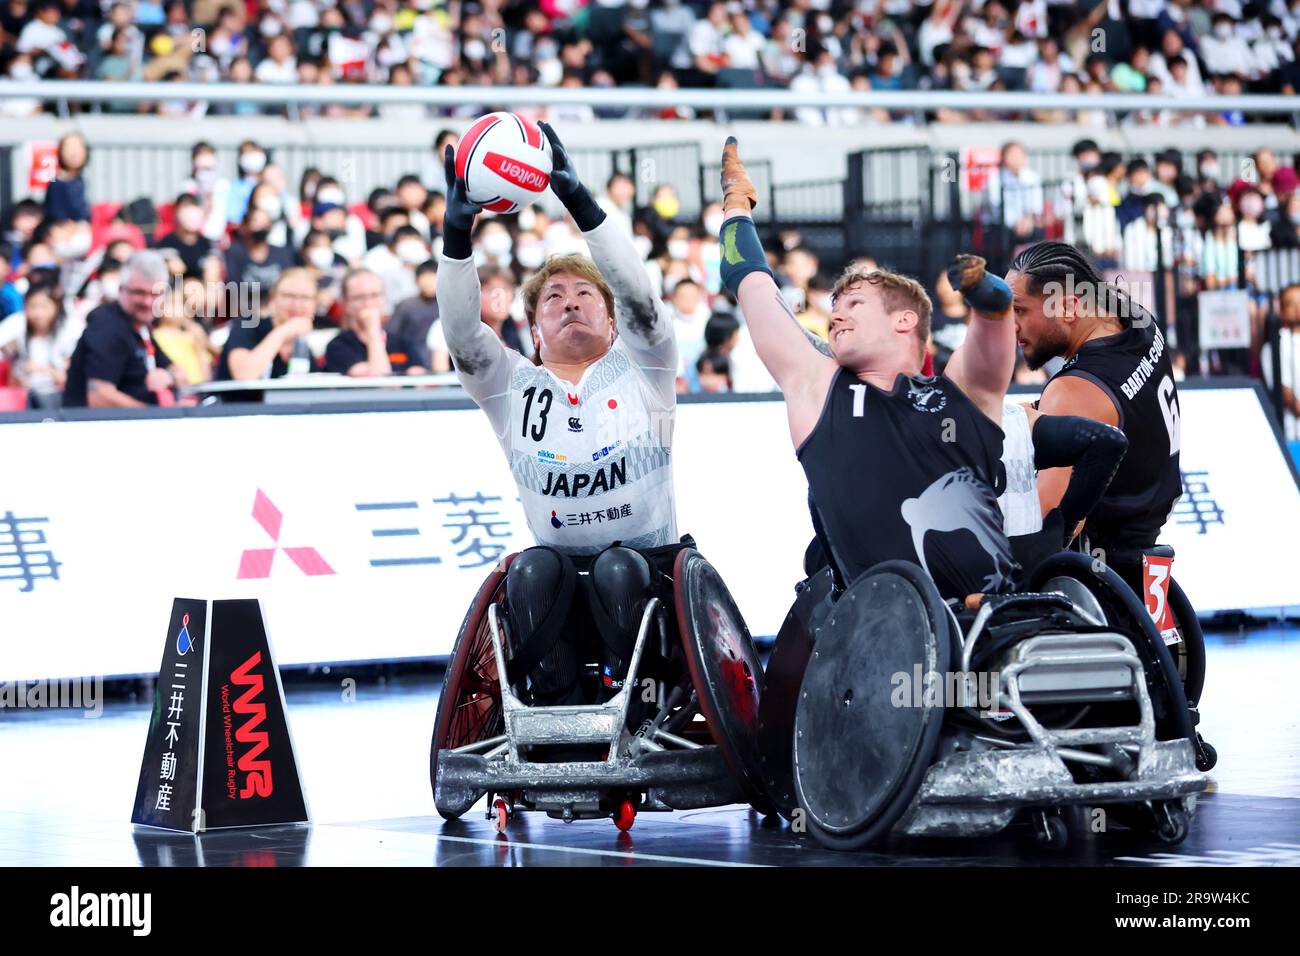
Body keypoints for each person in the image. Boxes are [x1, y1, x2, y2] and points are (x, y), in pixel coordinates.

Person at [437, 120, 680, 707]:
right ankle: (557, 710)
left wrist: (578, 201)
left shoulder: (646, 363)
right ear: (534, 331)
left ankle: (641, 702)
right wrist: (456, 232)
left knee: (618, 568)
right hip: (555, 578)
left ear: (613, 320)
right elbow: (462, 331)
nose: (569, 302)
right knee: (529, 570)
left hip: (649, 570)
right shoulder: (508, 384)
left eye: (584, 294)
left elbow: (641, 296)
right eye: (553, 298)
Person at [718, 137, 1018, 599]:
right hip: (885, 633)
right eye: (836, 305)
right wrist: (737, 206)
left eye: (854, 303)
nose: (837, 314)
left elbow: (997, 318)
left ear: (905, 320)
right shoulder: (819, 387)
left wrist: (983, 289)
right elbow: (751, 284)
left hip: (995, 623)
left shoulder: (960, 391)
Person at [1006, 241, 1182, 557]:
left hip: (1100, 572)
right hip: (1145, 543)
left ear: (1071, 307)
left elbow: (1047, 527)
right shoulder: (1136, 319)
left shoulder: (1074, 392)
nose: (1011, 325)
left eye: (1019, 310)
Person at [63, 251, 185, 408]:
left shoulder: (139, 326)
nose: (148, 302)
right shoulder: (108, 328)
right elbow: (99, 398)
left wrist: (170, 376)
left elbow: (180, 372)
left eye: (155, 293)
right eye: (139, 293)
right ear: (121, 290)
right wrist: (157, 416)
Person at [218, 267, 319, 397]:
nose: (297, 304)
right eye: (289, 296)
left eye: (305, 298)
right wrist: (283, 332)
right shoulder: (248, 325)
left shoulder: (303, 345)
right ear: (272, 299)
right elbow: (244, 376)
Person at [324, 268, 427, 377]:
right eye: (359, 298)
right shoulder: (338, 346)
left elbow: (419, 381)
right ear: (345, 303)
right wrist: (373, 331)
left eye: (375, 295)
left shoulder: (402, 342)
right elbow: (378, 381)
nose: (368, 303)